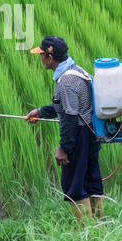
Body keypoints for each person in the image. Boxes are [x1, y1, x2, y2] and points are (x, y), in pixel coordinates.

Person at [24, 35, 104, 220]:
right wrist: (41, 111)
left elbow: (69, 116)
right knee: (91, 180)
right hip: (91, 131)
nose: (40, 58)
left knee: (74, 185)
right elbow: (69, 106)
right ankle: (99, 228)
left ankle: (86, 234)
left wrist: (64, 148)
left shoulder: (65, 82)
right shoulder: (76, 71)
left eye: (41, 55)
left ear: (49, 58)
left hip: (79, 134)